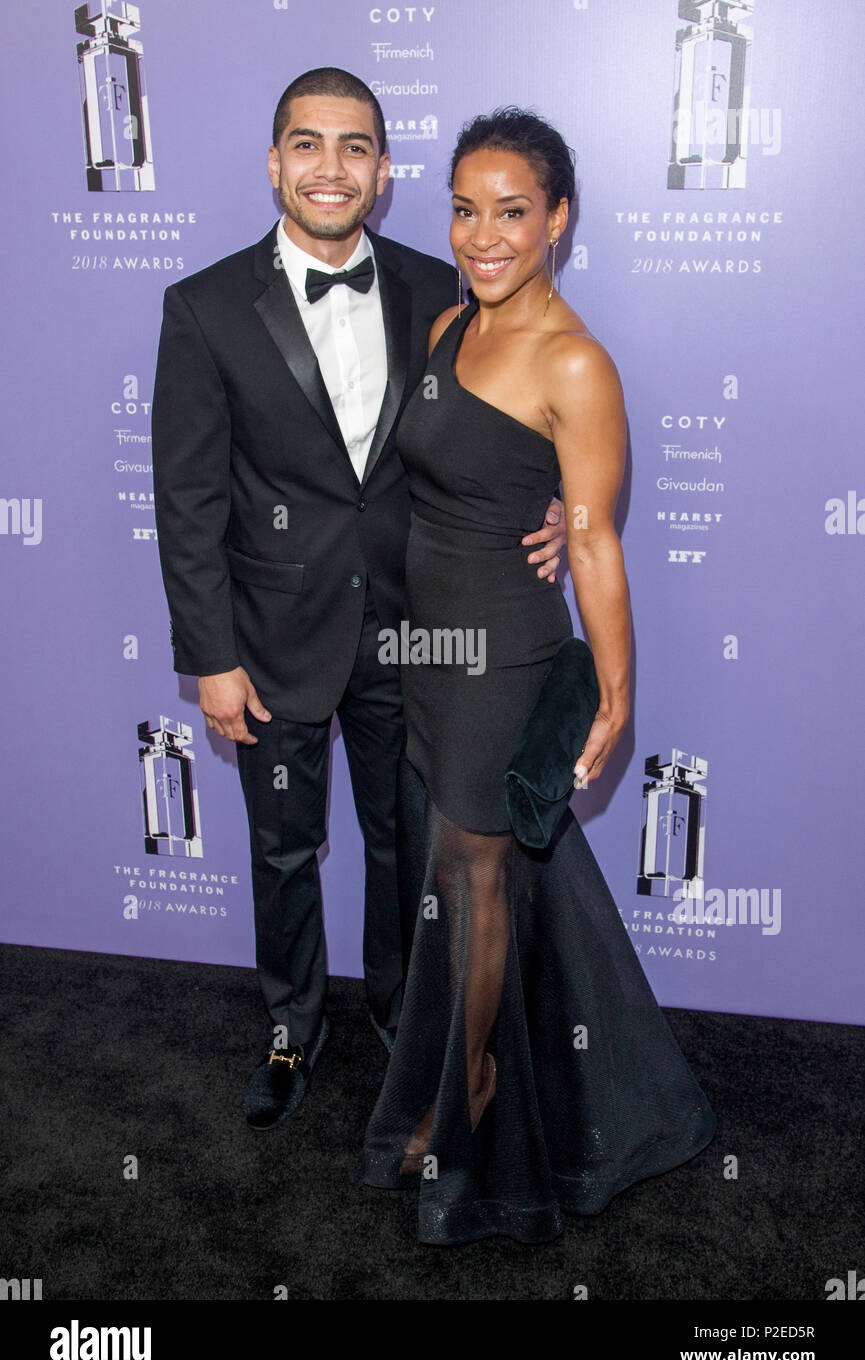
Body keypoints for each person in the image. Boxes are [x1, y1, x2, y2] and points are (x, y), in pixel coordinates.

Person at [151, 70, 566, 1131]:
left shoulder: (444, 286)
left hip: (414, 633)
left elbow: (528, 399)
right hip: (270, 642)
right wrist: (211, 655)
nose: (329, 167)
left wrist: (563, 505)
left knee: (405, 847)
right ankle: (291, 1029)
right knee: (282, 849)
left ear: (382, 172)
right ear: (275, 162)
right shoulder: (201, 307)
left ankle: (400, 1014)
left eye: (353, 148)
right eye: (306, 144)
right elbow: (188, 498)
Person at [362, 107, 717, 1244]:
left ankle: (468, 1107)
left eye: (511, 212)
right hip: (430, 651)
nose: (483, 235)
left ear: (557, 219)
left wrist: (614, 693)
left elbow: (597, 539)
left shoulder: (575, 359)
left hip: (501, 658)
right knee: (467, 886)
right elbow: (443, 482)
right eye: (466, 210)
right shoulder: (446, 330)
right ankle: (465, 1081)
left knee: (472, 888)